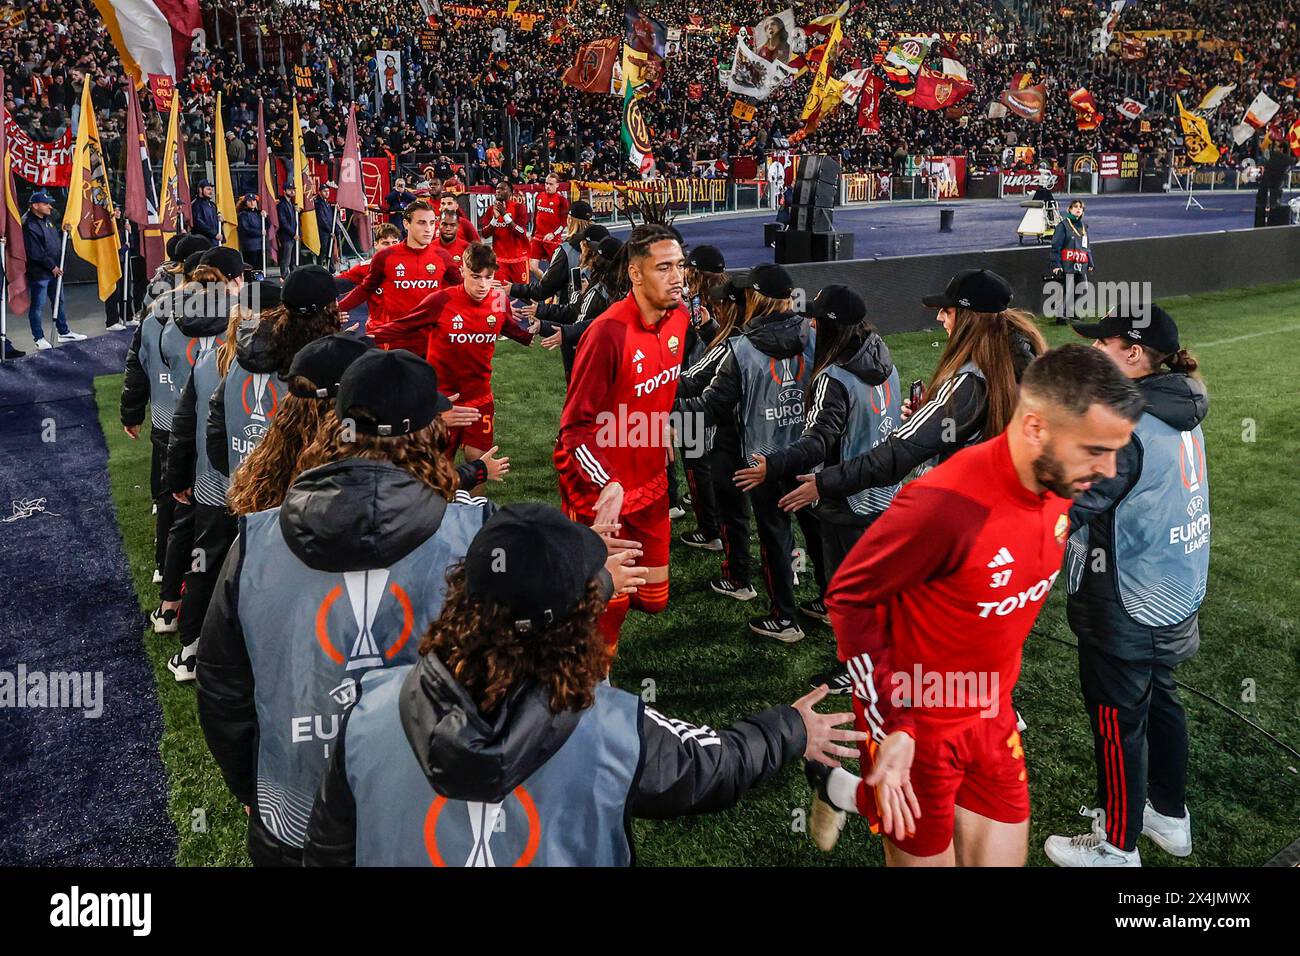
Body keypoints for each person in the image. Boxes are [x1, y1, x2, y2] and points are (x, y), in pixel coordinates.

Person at [300, 502, 865, 866]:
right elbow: (713, 766)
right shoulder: (615, 727)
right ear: (574, 625)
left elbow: (326, 855)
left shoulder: (370, 708)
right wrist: (792, 727)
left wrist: (583, 580)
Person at [807, 345, 1145, 867]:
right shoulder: (946, 505)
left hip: (993, 720)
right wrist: (892, 725)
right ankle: (849, 789)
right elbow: (851, 595)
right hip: (917, 728)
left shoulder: (1062, 483)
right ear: (1034, 428)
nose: (1108, 468)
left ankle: (841, 790)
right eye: (1096, 449)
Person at [197, 349, 497, 866]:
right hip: (425, 815)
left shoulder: (256, 541)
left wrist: (254, 786)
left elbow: (223, 687)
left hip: (293, 809)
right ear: (429, 433)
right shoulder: (476, 534)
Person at [1045, 307, 1209, 866]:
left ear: (1134, 354)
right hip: (1174, 589)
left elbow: (1069, 508)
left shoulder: (1128, 427)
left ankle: (1117, 846)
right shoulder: (1179, 401)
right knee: (1161, 701)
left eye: (1103, 345)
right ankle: (1168, 815)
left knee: (1118, 719)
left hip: (1126, 597)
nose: (1093, 355)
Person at [780, 270, 1045, 514]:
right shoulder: (1021, 358)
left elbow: (901, 451)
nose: (939, 317)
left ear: (969, 317)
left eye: (947, 310)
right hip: (1000, 508)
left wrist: (826, 483)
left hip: (961, 511)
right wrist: (932, 418)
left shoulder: (971, 382)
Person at [553, 224, 688, 653]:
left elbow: (655, 386)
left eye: (680, 266)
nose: (678, 277)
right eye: (664, 268)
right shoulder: (607, 334)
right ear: (634, 273)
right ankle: (589, 694)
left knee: (654, 600)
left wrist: (659, 421)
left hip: (651, 483)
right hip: (600, 494)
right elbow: (573, 430)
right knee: (601, 618)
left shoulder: (681, 319)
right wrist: (606, 483)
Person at [677, 264, 825, 643]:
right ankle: (827, 604)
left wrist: (653, 401)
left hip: (763, 458)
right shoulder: (814, 334)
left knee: (774, 534)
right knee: (814, 530)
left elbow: (710, 405)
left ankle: (785, 617)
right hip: (810, 451)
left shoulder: (742, 348)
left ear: (755, 299)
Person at [741, 284, 901, 582]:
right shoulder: (886, 362)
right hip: (884, 491)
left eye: (817, 319)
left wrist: (774, 464)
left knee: (846, 589)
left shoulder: (834, 378)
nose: (811, 324)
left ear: (832, 326)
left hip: (846, 500)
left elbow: (818, 442)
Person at [374, 242, 534, 476]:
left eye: (488, 278)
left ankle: (476, 510)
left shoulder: (500, 300)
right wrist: (363, 340)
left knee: (478, 462)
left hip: (480, 397)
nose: (482, 285)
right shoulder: (440, 300)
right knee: (439, 465)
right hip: (442, 400)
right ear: (462, 271)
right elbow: (401, 327)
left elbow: (517, 332)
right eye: (476, 277)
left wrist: (557, 329)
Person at [336, 199, 459, 350]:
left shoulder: (443, 257)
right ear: (406, 224)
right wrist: (338, 309)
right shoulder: (385, 257)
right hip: (396, 343)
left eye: (432, 223)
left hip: (433, 342)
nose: (429, 229)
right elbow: (365, 289)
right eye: (422, 222)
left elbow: (460, 290)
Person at [674, 244, 729, 552]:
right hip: (721, 394)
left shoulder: (702, 304)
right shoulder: (732, 298)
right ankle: (716, 523)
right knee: (712, 464)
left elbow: (711, 346)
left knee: (697, 464)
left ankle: (710, 530)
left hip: (700, 391)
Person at [22, 190, 83, 349]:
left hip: (55, 271)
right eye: (46, 203)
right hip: (40, 273)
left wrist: (65, 231)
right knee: (38, 305)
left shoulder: (47, 219)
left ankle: (63, 332)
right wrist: (52, 266)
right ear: (35, 205)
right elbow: (35, 252)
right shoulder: (28, 224)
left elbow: (54, 240)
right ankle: (39, 338)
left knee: (59, 301)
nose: (50, 206)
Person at [512, 199, 593, 309]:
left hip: (571, 309)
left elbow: (543, 289)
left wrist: (513, 289)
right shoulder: (603, 243)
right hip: (599, 310)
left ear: (569, 220)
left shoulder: (566, 250)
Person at [336, 222, 402, 333]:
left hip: (404, 329)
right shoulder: (365, 268)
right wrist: (332, 311)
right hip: (376, 331)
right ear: (376, 245)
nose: (391, 247)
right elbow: (334, 283)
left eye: (394, 242)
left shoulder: (412, 265)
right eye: (386, 243)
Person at [477, 180, 530, 285]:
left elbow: (521, 232)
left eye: (502, 189)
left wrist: (505, 215)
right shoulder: (491, 210)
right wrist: (495, 219)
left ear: (510, 192)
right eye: (497, 188)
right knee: (499, 294)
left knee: (524, 296)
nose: (498, 191)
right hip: (499, 261)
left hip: (518, 260)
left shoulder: (519, 207)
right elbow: (484, 234)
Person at [1050, 198, 1093, 324]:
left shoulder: (1084, 227)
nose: (1078, 209)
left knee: (1083, 287)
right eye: (1075, 206)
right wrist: (1056, 265)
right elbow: (1055, 246)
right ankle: (1060, 315)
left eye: (1080, 207)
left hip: (1080, 263)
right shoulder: (1063, 225)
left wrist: (1090, 263)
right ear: (1069, 209)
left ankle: (1071, 311)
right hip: (1066, 263)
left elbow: (1087, 247)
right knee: (1066, 290)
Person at [528, 172, 570, 279]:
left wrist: (554, 233)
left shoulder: (562, 200)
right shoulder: (539, 196)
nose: (547, 186)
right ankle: (544, 284)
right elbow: (535, 216)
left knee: (554, 269)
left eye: (551, 184)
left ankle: (553, 289)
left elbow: (563, 222)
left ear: (557, 185)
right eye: (546, 183)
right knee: (532, 266)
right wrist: (532, 234)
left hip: (552, 239)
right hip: (538, 237)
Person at [236, 194, 266, 274]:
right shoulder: (243, 214)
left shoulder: (258, 213)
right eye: (249, 201)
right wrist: (260, 232)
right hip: (249, 246)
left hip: (259, 244)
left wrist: (265, 217)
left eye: (254, 201)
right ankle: (250, 284)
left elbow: (267, 225)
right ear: (245, 203)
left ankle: (259, 283)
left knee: (259, 267)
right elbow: (246, 229)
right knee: (250, 266)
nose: (252, 203)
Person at [276, 184, 298, 274]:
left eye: (293, 189)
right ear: (284, 191)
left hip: (293, 236)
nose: (292, 191)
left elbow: (294, 220)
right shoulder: (281, 205)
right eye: (289, 189)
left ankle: (293, 277)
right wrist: (293, 234)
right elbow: (283, 222)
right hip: (287, 236)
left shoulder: (292, 204)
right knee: (286, 259)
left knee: (293, 259)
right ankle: (284, 277)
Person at [191, 179, 220, 243]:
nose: (211, 192)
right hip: (203, 242)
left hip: (214, 240)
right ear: (200, 190)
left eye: (212, 190)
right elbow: (199, 223)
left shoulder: (213, 205)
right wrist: (214, 234)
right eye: (208, 189)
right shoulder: (196, 205)